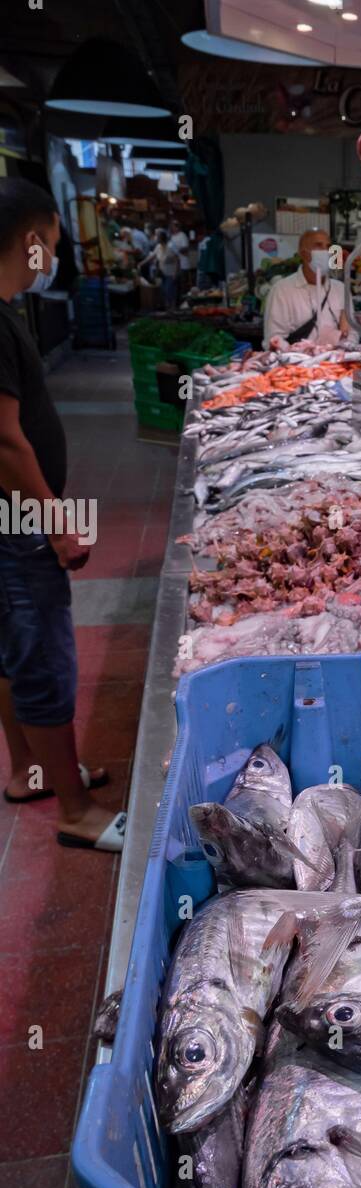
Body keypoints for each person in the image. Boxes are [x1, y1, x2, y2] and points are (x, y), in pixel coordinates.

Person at [0, 178, 125, 851]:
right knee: (43, 656)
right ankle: (75, 812)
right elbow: (4, 442)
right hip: (16, 525)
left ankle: (31, 769)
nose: (53, 255)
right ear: (31, 238)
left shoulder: (8, 309)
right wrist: (56, 524)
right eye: (51, 241)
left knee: (10, 651)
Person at [262, 228, 349, 349]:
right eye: (318, 246)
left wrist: (343, 345)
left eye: (328, 247)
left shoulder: (340, 289)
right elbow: (274, 338)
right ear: (303, 253)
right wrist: (299, 355)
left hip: (335, 363)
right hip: (298, 364)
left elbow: (352, 334)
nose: (325, 251)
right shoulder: (281, 290)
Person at [141, 231, 180, 308]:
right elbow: (152, 256)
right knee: (163, 291)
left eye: (157, 237)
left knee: (169, 290)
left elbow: (177, 261)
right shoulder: (158, 247)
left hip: (171, 273)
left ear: (161, 238)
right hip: (162, 274)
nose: (156, 239)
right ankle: (167, 308)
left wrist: (175, 273)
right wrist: (142, 263)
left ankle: (173, 307)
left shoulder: (170, 247)